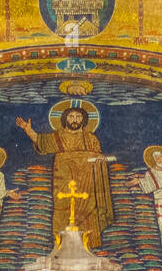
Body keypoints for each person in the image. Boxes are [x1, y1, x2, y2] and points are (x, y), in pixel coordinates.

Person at [16, 103, 116, 250]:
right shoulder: (57, 137)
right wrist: (28, 129)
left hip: (87, 186)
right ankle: (60, 248)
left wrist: (99, 160)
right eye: (71, 116)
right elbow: (41, 142)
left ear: (84, 119)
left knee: (89, 214)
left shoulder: (91, 138)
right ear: (65, 119)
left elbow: (98, 159)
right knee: (63, 213)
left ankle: (89, 249)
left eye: (78, 116)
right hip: (64, 182)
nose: (74, 119)